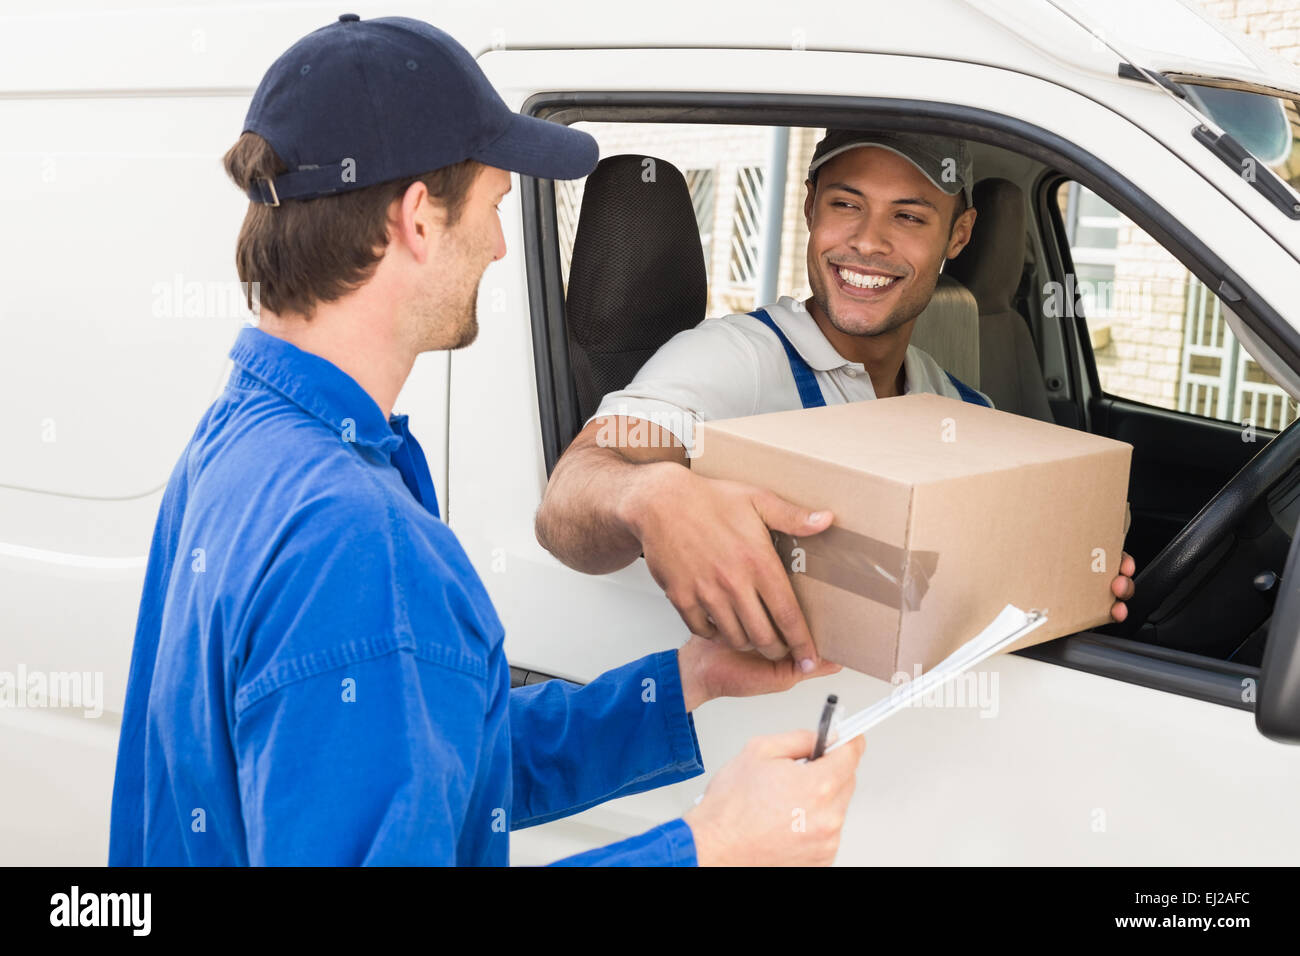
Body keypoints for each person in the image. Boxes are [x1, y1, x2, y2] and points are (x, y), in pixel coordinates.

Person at [108, 15, 864, 867]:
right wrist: (713, 848)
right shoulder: (357, 544)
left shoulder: (243, 440)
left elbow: (432, 758)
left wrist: (683, 682)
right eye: (496, 206)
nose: (503, 247)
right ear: (417, 220)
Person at [535, 130, 1138, 670]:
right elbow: (568, 501)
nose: (867, 242)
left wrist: (1070, 562)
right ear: (808, 208)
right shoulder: (733, 359)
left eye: (908, 217)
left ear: (958, 234)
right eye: (846, 205)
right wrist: (650, 495)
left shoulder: (958, 405)